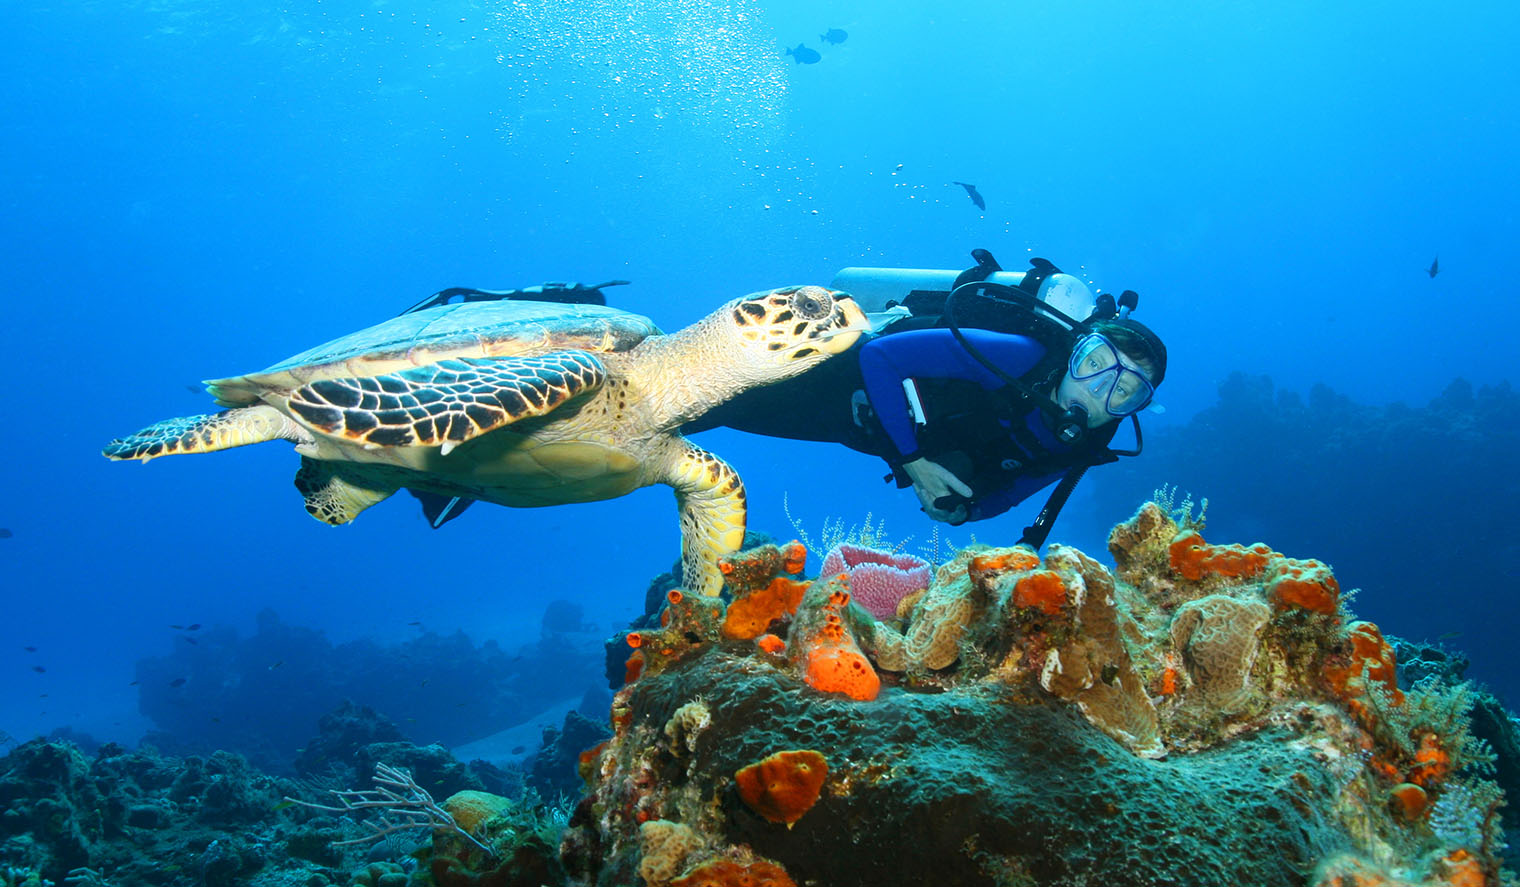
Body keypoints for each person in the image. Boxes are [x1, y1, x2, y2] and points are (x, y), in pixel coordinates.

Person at [685, 250, 1167, 548]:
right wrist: (915, 461)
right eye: (1095, 366)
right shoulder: (1019, 357)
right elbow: (879, 359)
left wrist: (964, 510)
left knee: (705, 411)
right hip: (838, 378)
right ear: (1073, 355)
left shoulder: (1084, 443)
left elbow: (1015, 493)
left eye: (1124, 392)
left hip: (858, 429)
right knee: (705, 398)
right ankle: (624, 354)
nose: (1099, 391)